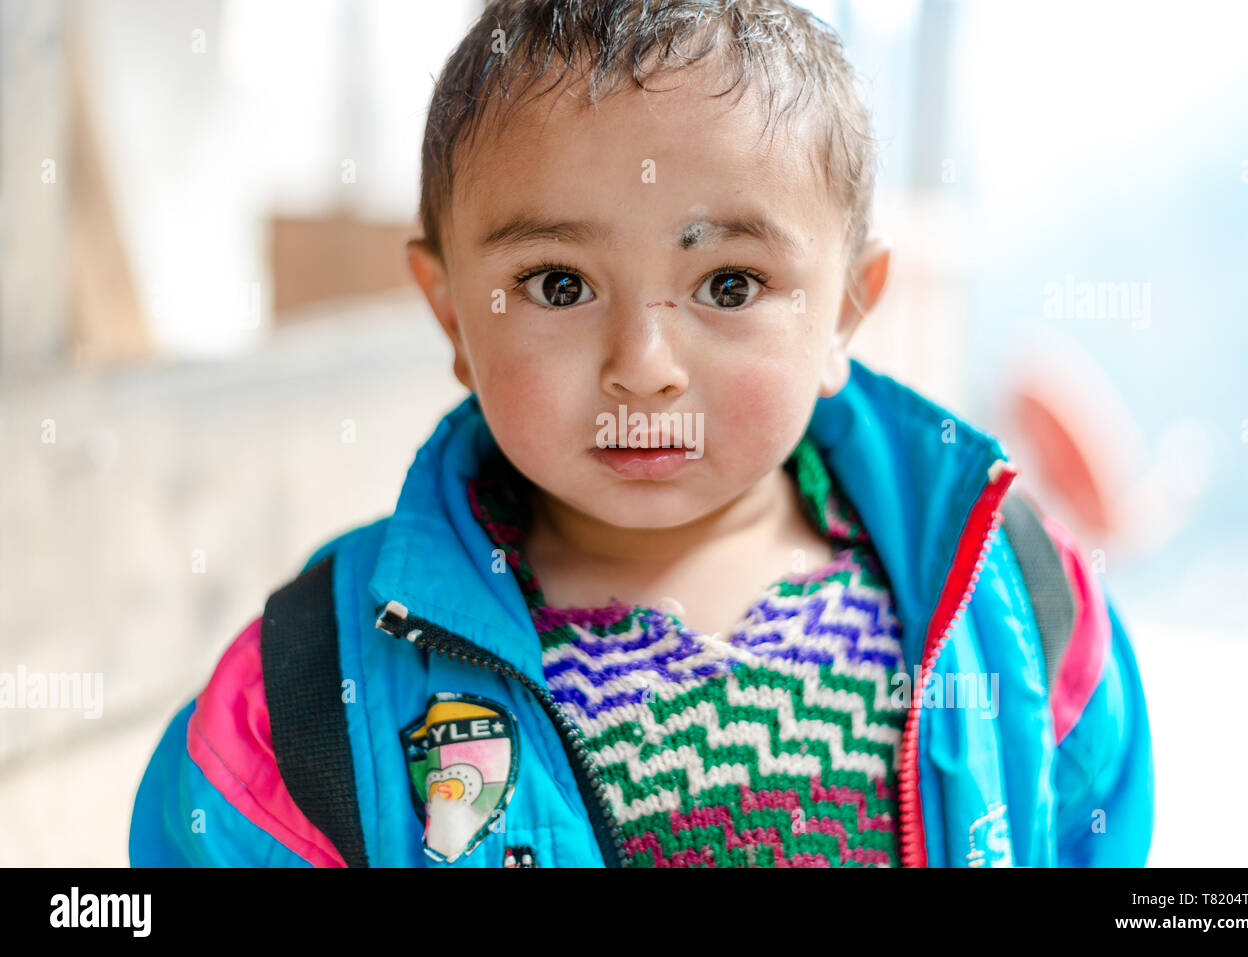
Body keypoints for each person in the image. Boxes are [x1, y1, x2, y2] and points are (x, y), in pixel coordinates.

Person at [129, 0, 1154, 868]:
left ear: (844, 308)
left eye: (729, 284)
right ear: (450, 314)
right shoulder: (310, 693)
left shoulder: (1020, 611)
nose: (644, 362)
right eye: (558, 285)